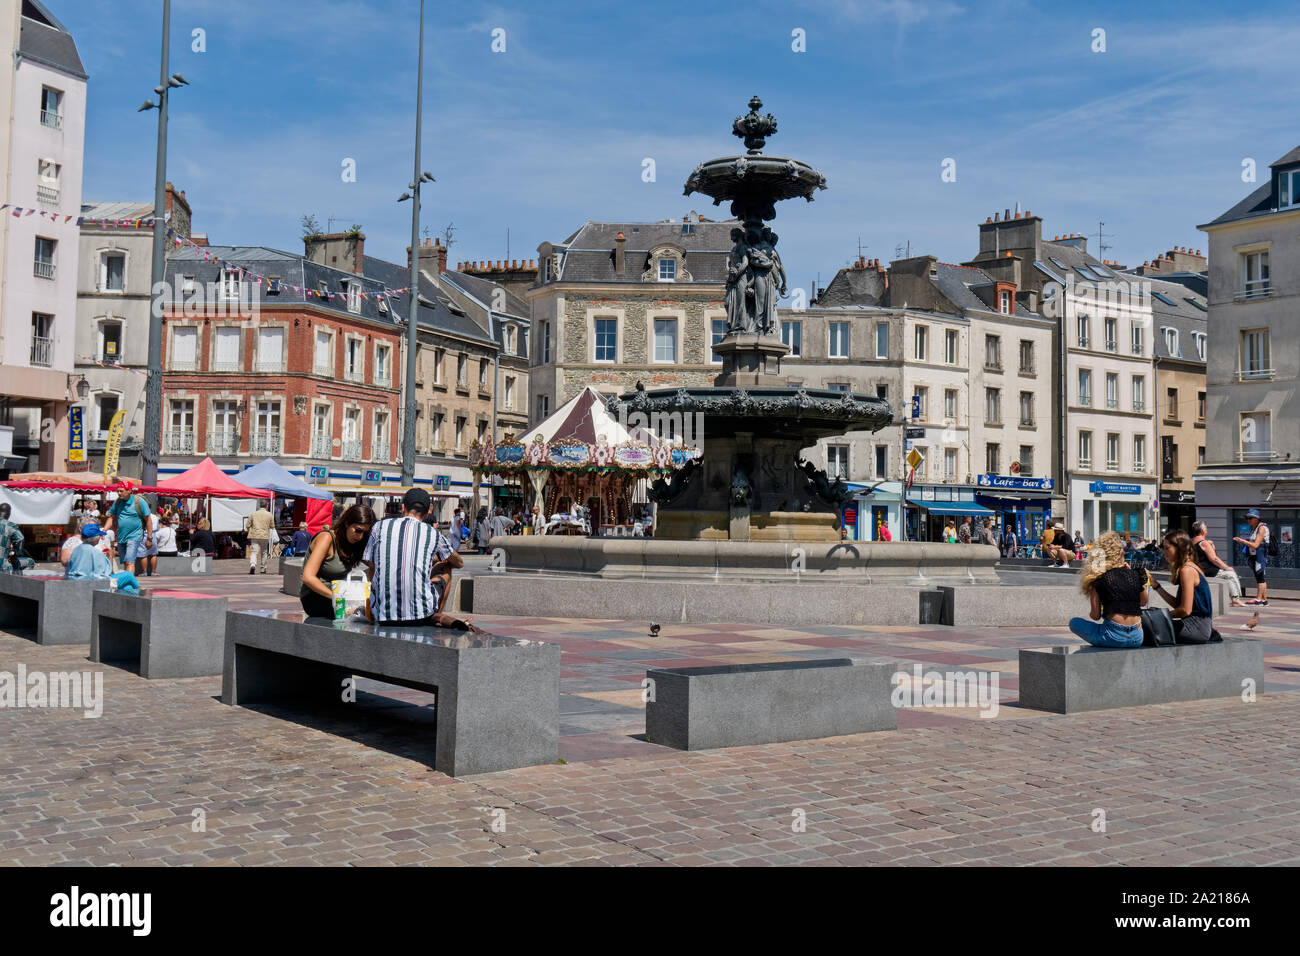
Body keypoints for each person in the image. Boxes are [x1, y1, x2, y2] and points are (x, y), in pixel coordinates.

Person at [363, 489, 470, 626]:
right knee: (446, 568)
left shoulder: (379, 526)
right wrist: (439, 559)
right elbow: (459, 562)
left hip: (383, 615)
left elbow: (371, 566)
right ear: (426, 514)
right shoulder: (433, 533)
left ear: (403, 508)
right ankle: (435, 616)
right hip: (420, 615)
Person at [1068, 530, 1147, 647]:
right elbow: (1144, 601)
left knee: (1074, 623)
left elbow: (1095, 616)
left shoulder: (1099, 579)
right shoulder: (1134, 574)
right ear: (1121, 554)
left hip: (1113, 636)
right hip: (1138, 637)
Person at [300, 505, 375, 618]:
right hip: (315, 597)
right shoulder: (327, 538)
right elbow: (307, 577)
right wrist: (336, 598)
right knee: (357, 614)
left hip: (340, 595)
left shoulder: (354, 543)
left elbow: (373, 565)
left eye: (365, 533)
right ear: (347, 523)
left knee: (371, 611)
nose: (360, 536)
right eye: (358, 530)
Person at [1151, 530, 1216, 643]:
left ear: (1179, 548)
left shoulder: (1187, 570)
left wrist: (1160, 616)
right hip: (1200, 627)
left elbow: (1185, 610)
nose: (1164, 552)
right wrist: (1157, 586)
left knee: (1148, 630)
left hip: (1196, 628)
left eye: (1167, 548)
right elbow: (1178, 605)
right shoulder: (1192, 567)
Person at [1191, 520, 1246, 607]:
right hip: (1208, 571)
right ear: (1203, 531)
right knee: (1231, 574)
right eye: (1206, 528)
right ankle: (1237, 599)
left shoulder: (1192, 542)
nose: (1207, 530)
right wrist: (1227, 567)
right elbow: (1214, 559)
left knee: (1228, 578)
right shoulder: (1204, 543)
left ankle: (1235, 599)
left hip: (1198, 571)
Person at [107, 489, 152, 575]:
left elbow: (148, 520)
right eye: (118, 491)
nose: (119, 493)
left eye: (121, 491)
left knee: (130, 562)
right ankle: (127, 583)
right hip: (121, 537)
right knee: (125, 562)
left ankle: (129, 582)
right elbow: (111, 517)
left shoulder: (139, 501)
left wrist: (149, 538)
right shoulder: (117, 502)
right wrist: (104, 530)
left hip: (134, 536)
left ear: (129, 491)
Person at [1232, 509, 1270, 606]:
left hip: (1260, 555)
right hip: (1255, 555)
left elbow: (1256, 545)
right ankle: (1264, 600)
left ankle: (1258, 599)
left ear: (1256, 518)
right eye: (1247, 518)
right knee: (1260, 577)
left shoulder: (1261, 528)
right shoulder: (1254, 528)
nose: (1248, 520)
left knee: (1260, 577)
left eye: (1250, 518)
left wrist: (1242, 541)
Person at [245, 500, 275, 574]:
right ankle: (263, 568)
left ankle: (253, 565)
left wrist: (251, 530)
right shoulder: (269, 514)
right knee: (264, 552)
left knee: (254, 552)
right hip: (264, 535)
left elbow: (247, 525)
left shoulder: (253, 514)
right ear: (266, 506)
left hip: (255, 535)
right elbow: (272, 526)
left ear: (259, 506)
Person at [0, 504, 26, 573]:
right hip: (3, 565)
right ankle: (17, 581)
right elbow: (20, 539)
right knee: (30, 562)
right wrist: (15, 552)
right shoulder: (9, 525)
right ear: (9, 513)